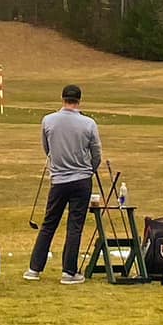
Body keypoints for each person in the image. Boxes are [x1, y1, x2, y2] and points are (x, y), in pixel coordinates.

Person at [26, 84, 102, 283]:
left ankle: (34, 269)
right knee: (74, 226)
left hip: (58, 180)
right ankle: (69, 272)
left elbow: (47, 148)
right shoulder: (89, 123)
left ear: (62, 98)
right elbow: (97, 155)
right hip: (82, 180)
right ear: (79, 100)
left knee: (49, 224)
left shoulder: (48, 120)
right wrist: (89, 170)